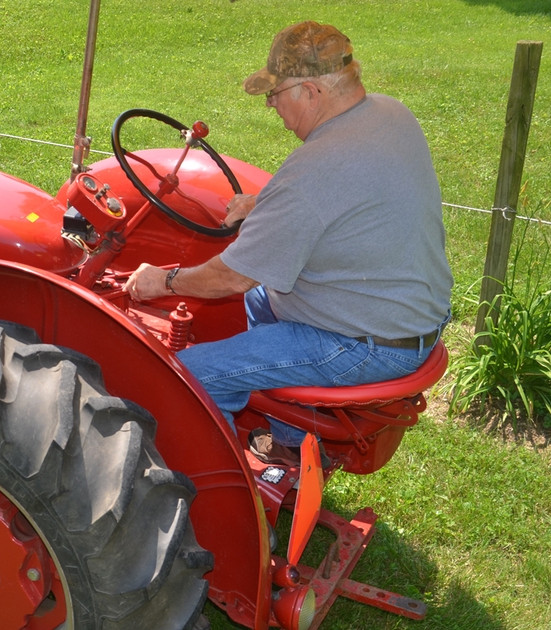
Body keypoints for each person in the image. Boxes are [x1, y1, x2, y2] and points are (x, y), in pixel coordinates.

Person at [123, 20, 453, 466]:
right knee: (264, 302)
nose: (273, 107)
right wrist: (263, 204)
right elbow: (348, 195)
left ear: (312, 92)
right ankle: (290, 448)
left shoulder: (313, 169)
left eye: (274, 95)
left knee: (193, 375)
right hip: (409, 318)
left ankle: (226, 499)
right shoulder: (391, 114)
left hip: (364, 345)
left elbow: (231, 277)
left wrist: (161, 280)